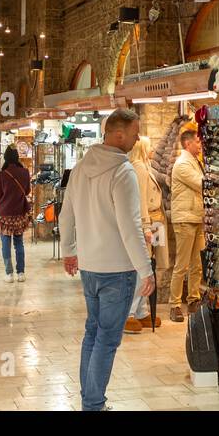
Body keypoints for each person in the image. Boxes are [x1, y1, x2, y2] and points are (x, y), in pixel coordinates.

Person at [60, 108, 153, 411]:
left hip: (89, 266)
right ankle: (93, 404)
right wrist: (146, 269)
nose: (138, 137)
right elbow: (130, 227)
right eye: (135, 132)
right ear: (118, 134)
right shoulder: (122, 172)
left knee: (93, 333)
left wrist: (69, 251)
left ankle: (91, 401)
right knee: (107, 340)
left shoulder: (80, 168)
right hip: (117, 269)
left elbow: (66, 216)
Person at [124, 135, 167, 333]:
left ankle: (141, 311)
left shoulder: (145, 166)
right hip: (149, 222)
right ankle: (131, 312)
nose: (153, 150)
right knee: (143, 267)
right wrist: (146, 227)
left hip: (156, 221)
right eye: (149, 147)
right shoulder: (139, 168)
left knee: (151, 266)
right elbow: (139, 199)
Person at [168, 129, 207, 324]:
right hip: (185, 218)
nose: (200, 145)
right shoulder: (183, 164)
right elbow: (201, 184)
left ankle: (193, 300)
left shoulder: (193, 161)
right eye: (197, 142)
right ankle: (174, 305)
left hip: (196, 217)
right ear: (187, 144)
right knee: (182, 265)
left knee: (196, 265)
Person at [0, 145, 32, 283]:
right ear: (17, 157)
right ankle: (21, 272)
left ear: (6, 158)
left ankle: (9, 274)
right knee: (19, 243)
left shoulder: (2, 175)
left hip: (4, 215)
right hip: (19, 213)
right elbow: (26, 191)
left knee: (5, 244)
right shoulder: (25, 172)